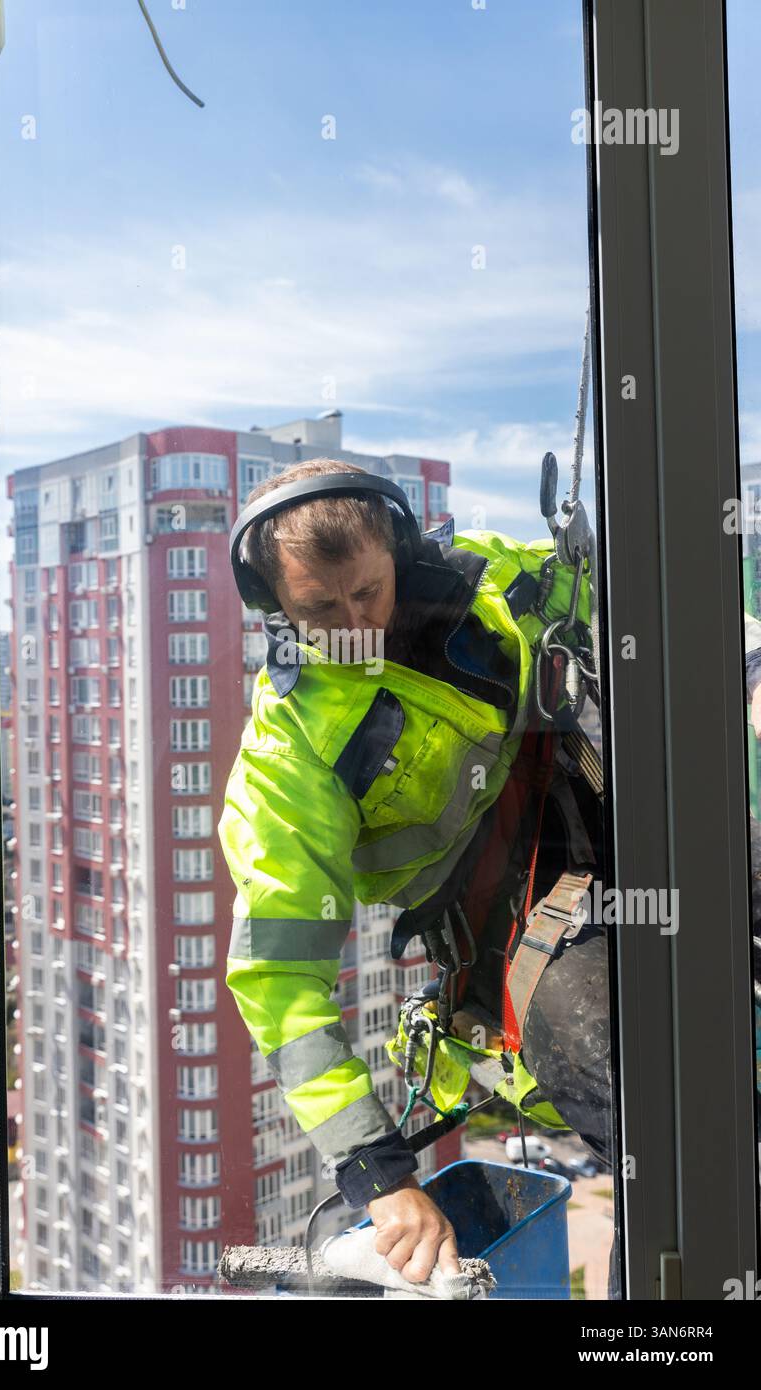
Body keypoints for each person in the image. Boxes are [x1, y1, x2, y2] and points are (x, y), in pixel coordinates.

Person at [218, 457, 605, 1288]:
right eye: (320, 609)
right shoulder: (293, 756)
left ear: (396, 546)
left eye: (368, 591)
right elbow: (283, 981)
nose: (355, 622)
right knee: (607, 1058)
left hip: (601, 804)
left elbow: (601, 590)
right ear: (275, 607)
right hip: (509, 914)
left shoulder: (485, 579)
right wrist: (380, 1178)